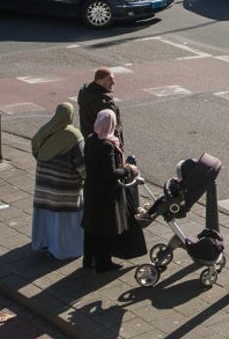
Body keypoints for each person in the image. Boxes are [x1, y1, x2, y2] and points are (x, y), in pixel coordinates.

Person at [82, 109, 145, 271]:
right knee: (104, 229)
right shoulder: (107, 146)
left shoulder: (91, 139)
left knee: (91, 227)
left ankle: (89, 260)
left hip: (91, 189)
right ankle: (103, 263)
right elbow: (110, 174)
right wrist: (129, 170)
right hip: (105, 194)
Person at [31, 101, 85, 260]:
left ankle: (46, 243)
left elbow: (35, 149)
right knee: (65, 221)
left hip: (44, 183)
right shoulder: (74, 136)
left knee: (47, 215)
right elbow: (83, 165)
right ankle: (65, 249)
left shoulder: (46, 130)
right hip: (65, 186)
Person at [78, 68, 123, 145]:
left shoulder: (85, 94)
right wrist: (118, 145)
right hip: (105, 143)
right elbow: (113, 127)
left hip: (89, 139)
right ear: (99, 81)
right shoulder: (104, 103)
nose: (113, 82)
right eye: (110, 79)